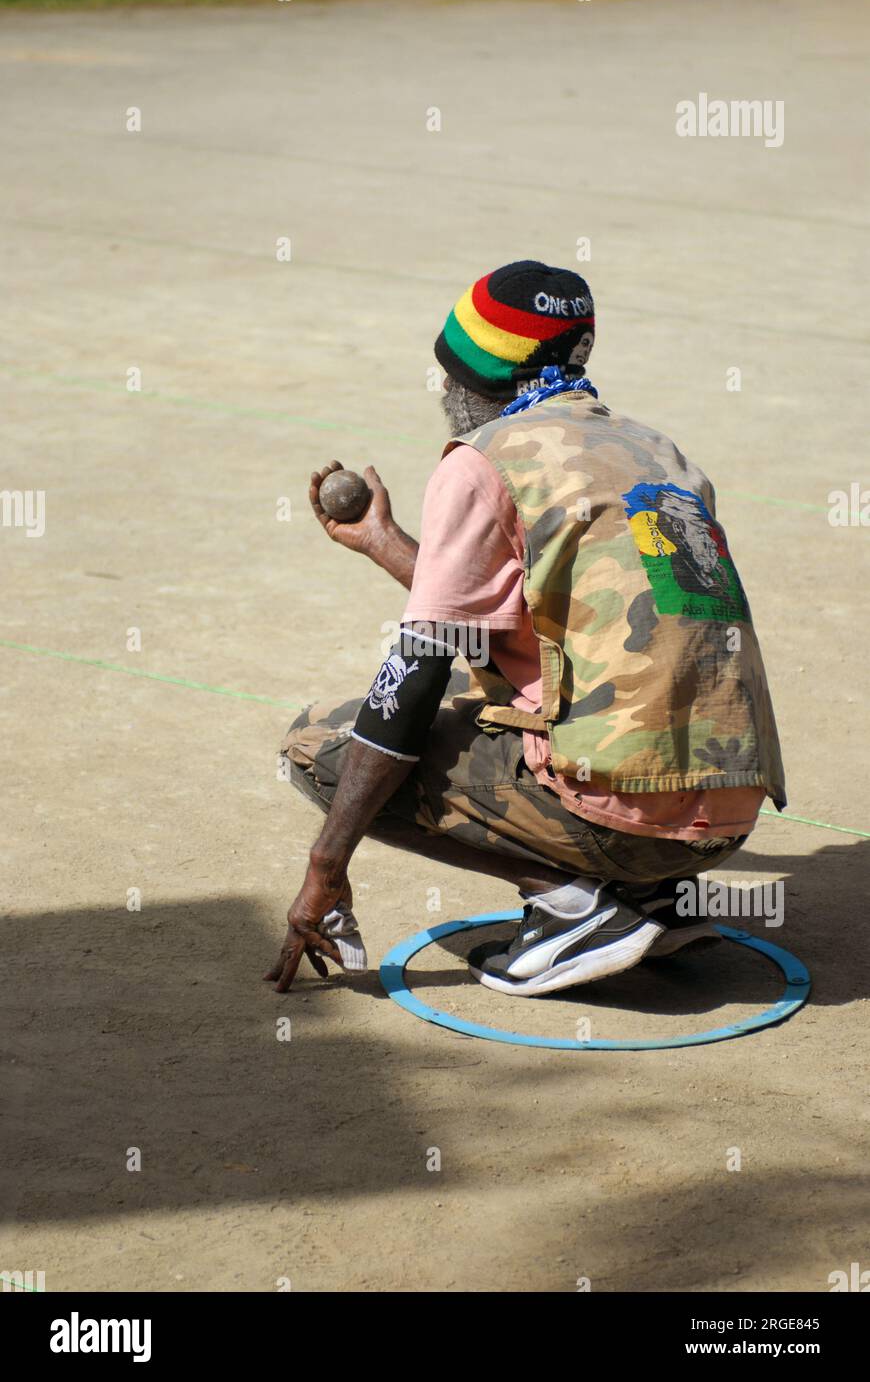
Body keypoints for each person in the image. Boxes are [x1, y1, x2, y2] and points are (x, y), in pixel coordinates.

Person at [265, 260, 786, 997]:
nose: (444, 391)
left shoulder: (486, 460)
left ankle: (574, 906)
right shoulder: (659, 454)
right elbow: (508, 609)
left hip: (618, 816)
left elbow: (411, 687)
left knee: (320, 744)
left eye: (451, 375)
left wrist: (326, 868)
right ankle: (647, 896)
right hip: (726, 819)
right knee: (543, 690)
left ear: (483, 377)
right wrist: (386, 542)